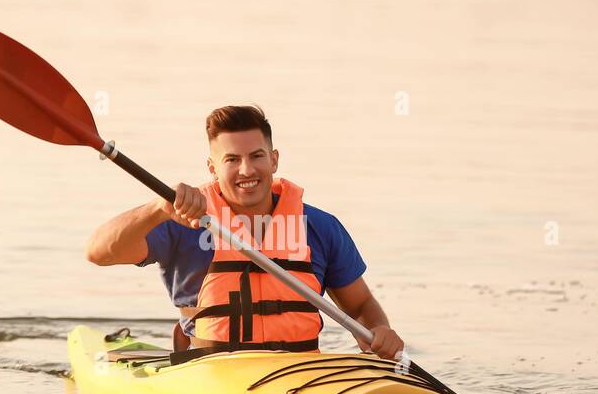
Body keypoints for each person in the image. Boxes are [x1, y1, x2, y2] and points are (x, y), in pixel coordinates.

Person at [85, 105, 405, 360]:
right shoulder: (184, 219)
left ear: (274, 160)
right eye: (232, 160)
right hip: (213, 374)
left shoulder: (320, 227)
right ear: (212, 168)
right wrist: (156, 209)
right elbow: (99, 252)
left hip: (302, 375)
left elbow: (360, 305)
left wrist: (380, 330)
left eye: (256, 156)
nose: (247, 170)